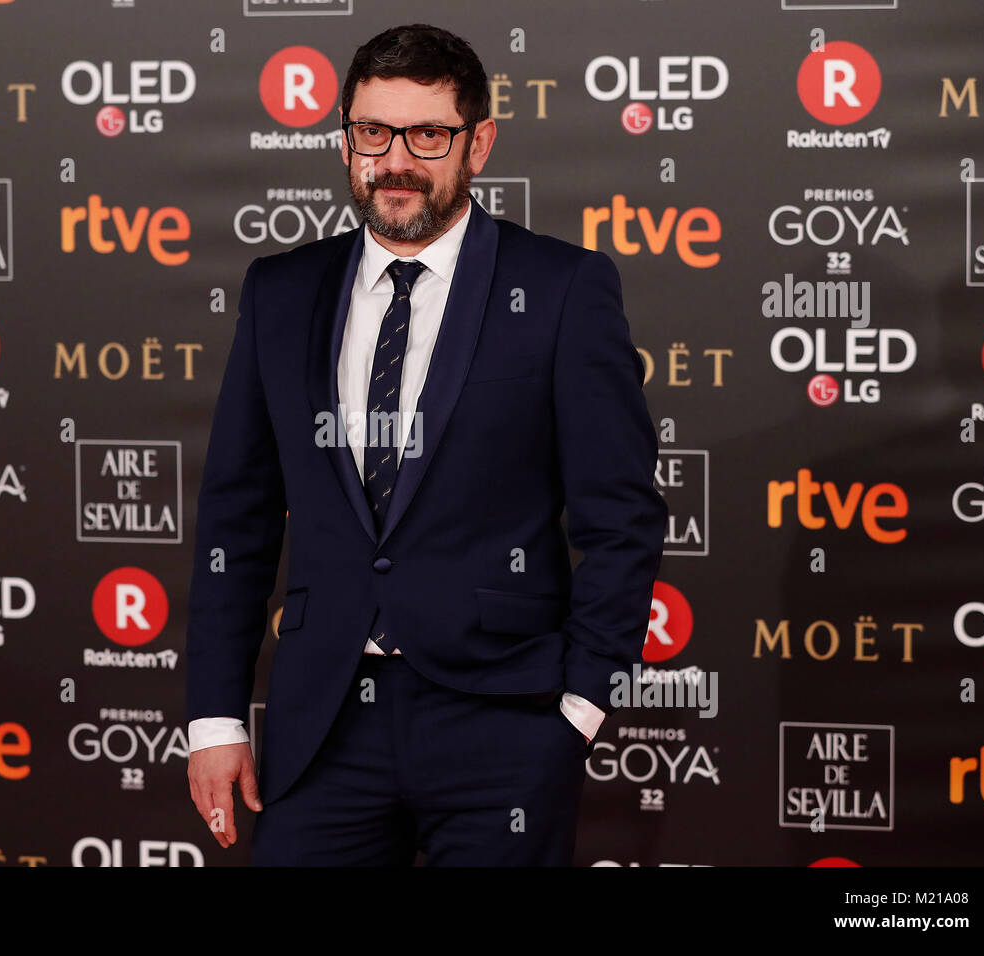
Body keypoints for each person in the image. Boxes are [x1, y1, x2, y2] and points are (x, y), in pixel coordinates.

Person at [185, 23, 666, 866]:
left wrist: (579, 711)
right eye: (373, 132)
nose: (395, 160)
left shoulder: (559, 289)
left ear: (477, 142)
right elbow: (238, 519)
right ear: (347, 139)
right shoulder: (281, 292)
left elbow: (621, 519)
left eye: (427, 134)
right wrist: (217, 720)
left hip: (503, 724)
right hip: (321, 724)